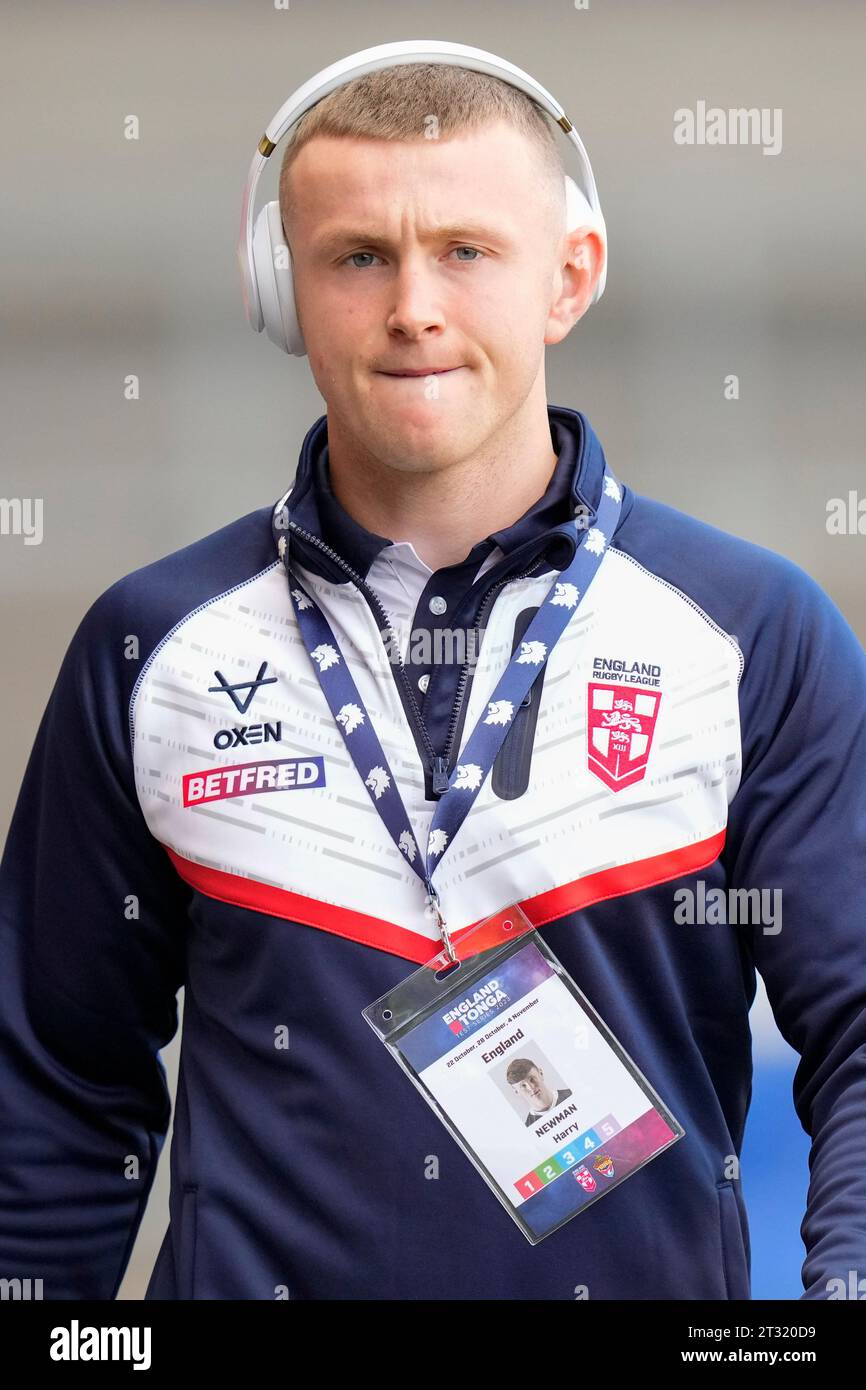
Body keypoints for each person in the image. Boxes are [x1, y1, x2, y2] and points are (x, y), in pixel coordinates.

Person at [1, 40, 864, 1303]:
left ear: (569, 277)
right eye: (358, 256)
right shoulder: (154, 642)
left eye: (465, 250)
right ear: (280, 291)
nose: (413, 305)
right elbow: (54, 1084)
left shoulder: (749, 630)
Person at [506, 1059, 574, 1127]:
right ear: (516, 1091)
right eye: (523, 1085)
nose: (531, 1088)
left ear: (541, 1073)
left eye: (532, 1079)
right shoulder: (530, 1129)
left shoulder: (573, 1094)